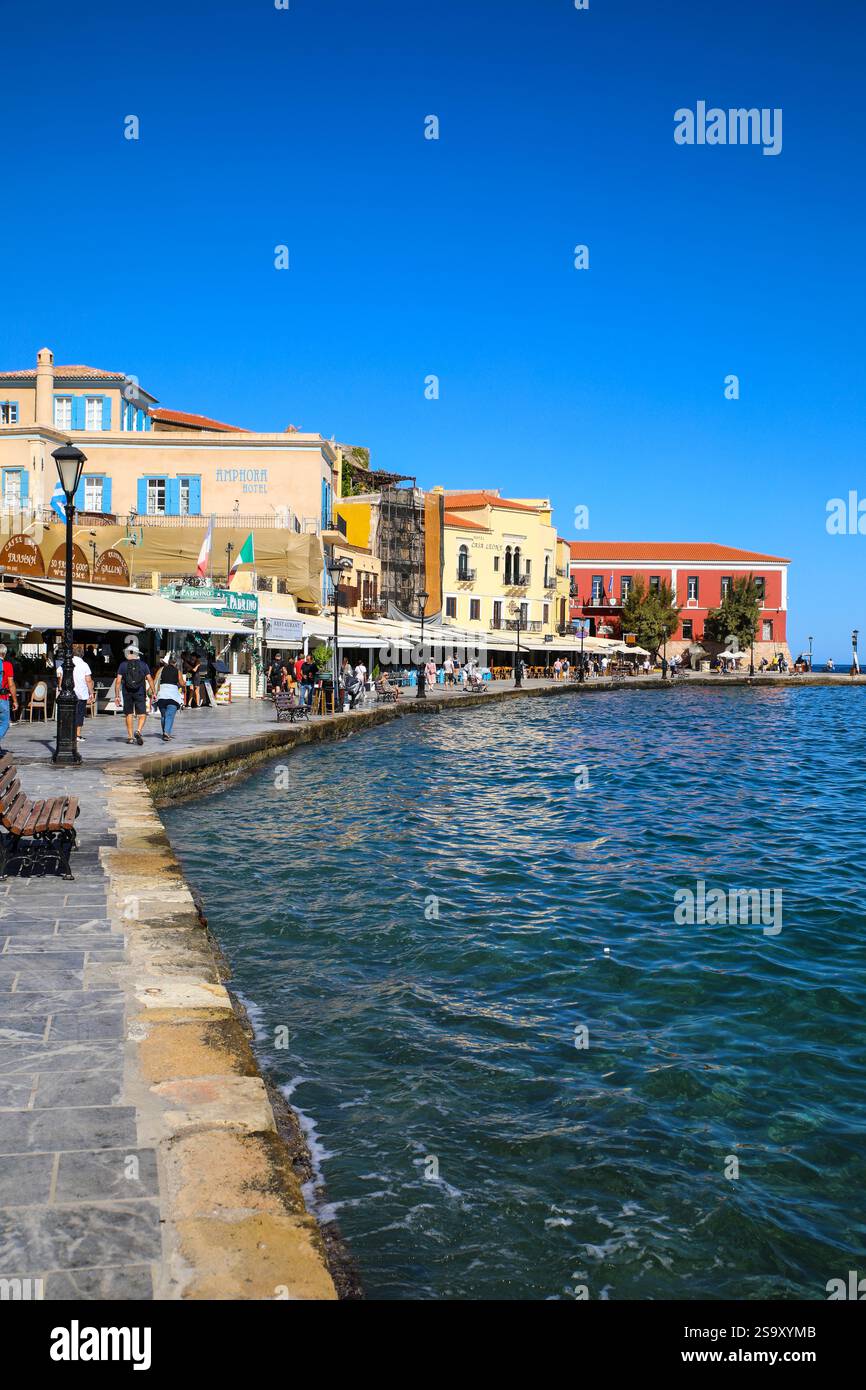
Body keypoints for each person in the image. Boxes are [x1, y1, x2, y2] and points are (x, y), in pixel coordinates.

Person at [115, 640, 156, 746]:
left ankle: (130, 737)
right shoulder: (143, 665)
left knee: (129, 714)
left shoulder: (123, 665)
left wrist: (117, 696)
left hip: (127, 692)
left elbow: (118, 681)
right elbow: (150, 679)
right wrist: (153, 691)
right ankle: (138, 731)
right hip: (140, 692)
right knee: (142, 714)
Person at [55, 643, 94, 742]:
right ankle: (77, 734)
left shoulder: (66, 663)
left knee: (68, 714)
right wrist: (91, 692)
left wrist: (60, 686)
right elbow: (88, 680)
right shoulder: (84, 665)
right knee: (79, 714)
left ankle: (68, 733)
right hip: (81, 693)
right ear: (82, 654)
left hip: (68, 693)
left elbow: (59, 674)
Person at [154, 654, 186, 741]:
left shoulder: (161, 670)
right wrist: (184, 683)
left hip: (162, 695)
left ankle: (165, 732)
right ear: (176, 663)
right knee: (170, 715)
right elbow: (182, 683)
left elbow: (155, 681)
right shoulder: (177, 671)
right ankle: (166, 733)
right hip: (172, 696)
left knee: (164, 715)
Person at [0, 644, 19, 754]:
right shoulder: (7, 665)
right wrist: (15, 701)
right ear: (4, 654)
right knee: (5, 723)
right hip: (2, 699)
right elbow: (11, 684)